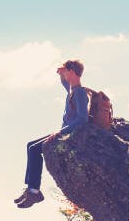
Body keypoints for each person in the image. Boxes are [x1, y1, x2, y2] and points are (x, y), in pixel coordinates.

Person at [15, 59, 89, 208]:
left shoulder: (80, 93)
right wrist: (61, 74)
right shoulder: (72, 91)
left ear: (72, 72)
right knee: (30, 145)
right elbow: (65, 83)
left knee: (35, 149)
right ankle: (31, 189)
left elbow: (83, 119)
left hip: (69, 136)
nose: (64, 74)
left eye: (66, 71)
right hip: (64, 132)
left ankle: (34, 192)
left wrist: (61, 132)